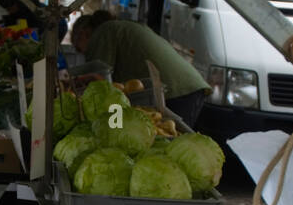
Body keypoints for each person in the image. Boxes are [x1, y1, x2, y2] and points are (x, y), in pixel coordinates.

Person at [70, 14, 210, 128]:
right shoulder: (121, 27)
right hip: (187, 85)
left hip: (176, 91)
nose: (83, 53)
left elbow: (100, 83)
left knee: (179, 146)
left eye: (78, 48)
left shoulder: (103, 32)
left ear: (83, 34)